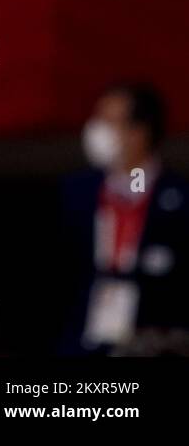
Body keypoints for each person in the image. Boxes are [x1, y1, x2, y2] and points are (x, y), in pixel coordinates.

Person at [59, 82, 189, 354]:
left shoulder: (179, 197)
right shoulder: (75, 192)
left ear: (138, 132)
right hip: (82, 341)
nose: (96, 130)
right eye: (97, 119)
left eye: (108, 122)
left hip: (154, 344)